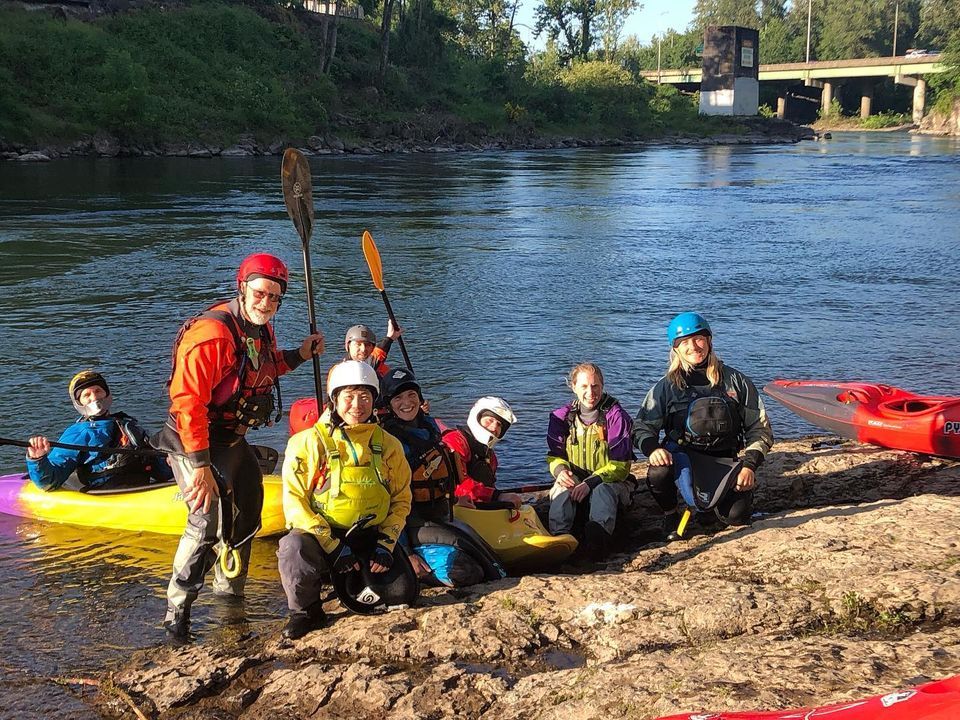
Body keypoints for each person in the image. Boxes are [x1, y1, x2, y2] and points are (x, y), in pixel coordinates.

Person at [156, 252, 325, 639]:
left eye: (275, 298)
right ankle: (176, 613)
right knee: (205, 521)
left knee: (249, 509)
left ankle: (230, 597)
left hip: (233, 440)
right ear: (242, 288)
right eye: (261, 294)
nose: (267, 303)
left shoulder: (260, 329)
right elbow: (188, 404)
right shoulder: (211, 336)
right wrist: (199, 466)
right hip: (191, 441)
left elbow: (263, 370)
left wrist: (300, 355)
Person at [278, 360, 413, 640]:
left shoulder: (388, 444)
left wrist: (386, 544)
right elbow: (294, 503)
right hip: (324, 538)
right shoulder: (307, 443)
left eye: (365, 397)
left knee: (404, 595)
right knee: (293, 547)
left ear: (375, 401)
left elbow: (401, 500)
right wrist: (333, 545)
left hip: (370, 538)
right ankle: (306, 611)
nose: (357, 405)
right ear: (334, 399)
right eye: (348, 396)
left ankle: (357, 578)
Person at [633, 312, 773, 540]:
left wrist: (749, 466)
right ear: (676, 349)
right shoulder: (666, 387)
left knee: (736, 516)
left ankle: (714, 506)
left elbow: (760, 428)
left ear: (709, 340)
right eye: (685, 342)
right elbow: (641, 427)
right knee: (658, 472)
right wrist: (652, 449)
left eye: (698, 339)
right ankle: (671, 513)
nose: (693, 347)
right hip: (683, 458)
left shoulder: (736, 382)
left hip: (724, 461)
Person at [380, 368, 505, 587]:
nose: (406, 402)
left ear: (420, 398)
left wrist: (455, 499)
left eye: (411, 395)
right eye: (397, 398)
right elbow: (387, 504)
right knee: (466, 572)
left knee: (489, 564)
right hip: (409, 525)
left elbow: (437, 473)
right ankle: (412, 568)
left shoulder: (430, 428)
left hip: (440, 514)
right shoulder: (389, 442)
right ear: (388, 404)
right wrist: (406, 553)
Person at [25, 371, 172, 491]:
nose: (94, 398)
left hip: (139, 489)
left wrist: (171, 461)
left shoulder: (129, 425)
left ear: (107, 394)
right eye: (86, 395)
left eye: (98, 391)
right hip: (106, 493)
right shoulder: (78, 433)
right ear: (79, 403)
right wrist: (38, 459)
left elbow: (160, 471)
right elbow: (49, 482)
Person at [546, 363, 634, 560]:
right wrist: (561, 471)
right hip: (577, 478)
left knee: (603, 491)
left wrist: (591, 482)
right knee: (561, 487)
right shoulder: (561, 417)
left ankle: (597, 542)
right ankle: (559, 541)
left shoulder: (616, 417)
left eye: (595, 386)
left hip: (609, 482)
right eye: (584, 386)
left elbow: (621, 467)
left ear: (602, 386)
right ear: (574, 386)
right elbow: (554, 455)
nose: (590, 392)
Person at [442, 397, 523, 509]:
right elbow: (458, 486)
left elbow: (489, 485)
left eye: (499, 425)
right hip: (456, 507)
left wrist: (496, 496)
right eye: (489, 420)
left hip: (479, 507)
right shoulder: (454, 442)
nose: (494, 427)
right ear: (478, 417)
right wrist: (497, 496)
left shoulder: (490, 455)